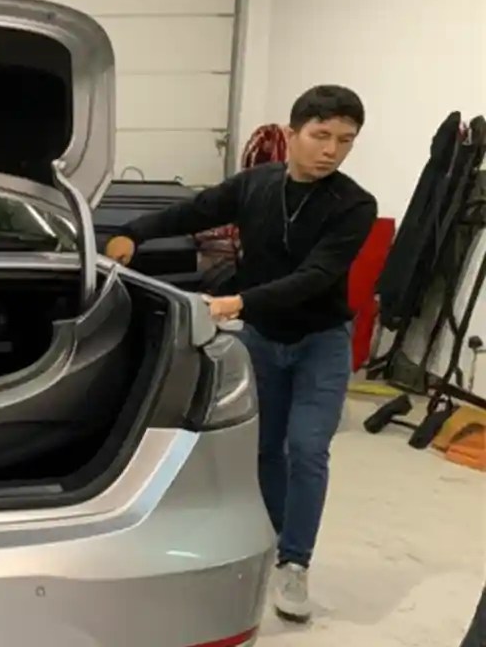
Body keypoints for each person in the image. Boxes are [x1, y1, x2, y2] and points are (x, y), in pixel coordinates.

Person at [105, 84, 378, 622]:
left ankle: (295, 564)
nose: (331, 150)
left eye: (345, 140)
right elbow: (194, 210)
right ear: (293, 132)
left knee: (307, 449)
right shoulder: (257, 184)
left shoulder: (353, 205)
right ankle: (275, 541)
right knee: (265, 449)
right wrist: (132, 233)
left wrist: (236, 301)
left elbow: (316, 277)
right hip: (263, 340)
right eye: (321, 136)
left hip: (320, 343)